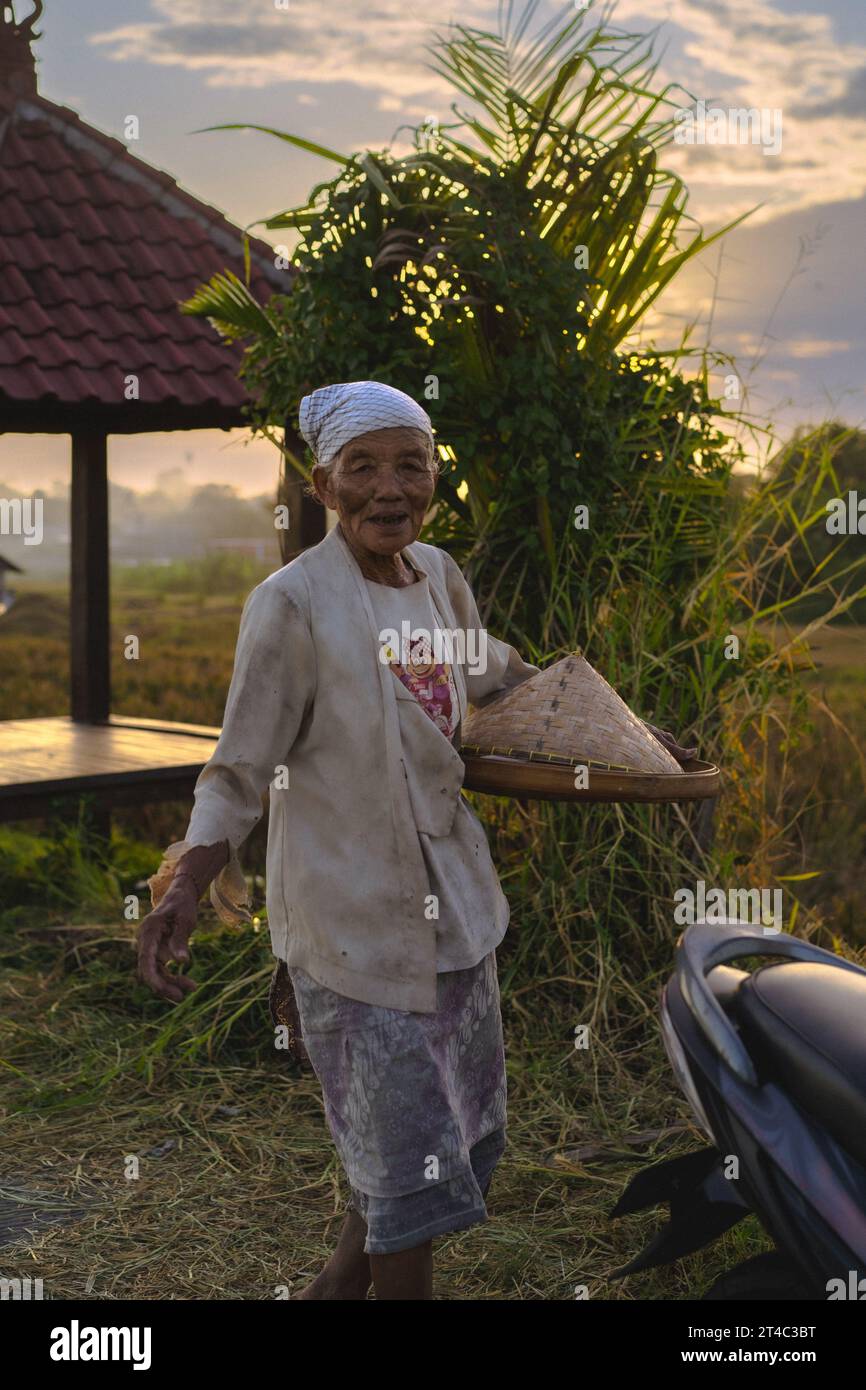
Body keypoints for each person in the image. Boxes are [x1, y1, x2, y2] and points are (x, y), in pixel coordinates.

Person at [137, 380, 695, 1300]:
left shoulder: (437, 578)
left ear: (436, 477)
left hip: (454, 919)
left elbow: (503, 685)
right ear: (324, 483)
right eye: (364, 468)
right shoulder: (292, 605)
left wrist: (640, 744)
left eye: (412, 465)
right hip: (352, 928)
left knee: (443, 1144)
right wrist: (184, 889)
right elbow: (238, 770)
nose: (390, 488)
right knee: (407, 1177)